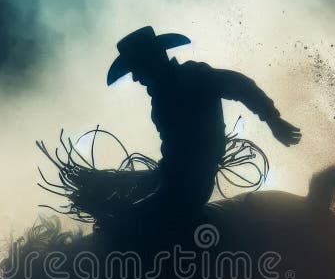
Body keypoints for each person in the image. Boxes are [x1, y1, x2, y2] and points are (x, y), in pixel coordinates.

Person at [105, 26, 301, 221]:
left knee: (127, 221)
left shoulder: (193, 77)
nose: (136, 78)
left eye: (137, 69)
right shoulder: (162, 96)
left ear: (153, 60)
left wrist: (272, 119)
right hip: (174, 176)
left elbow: (240, 85)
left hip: (191, 184)